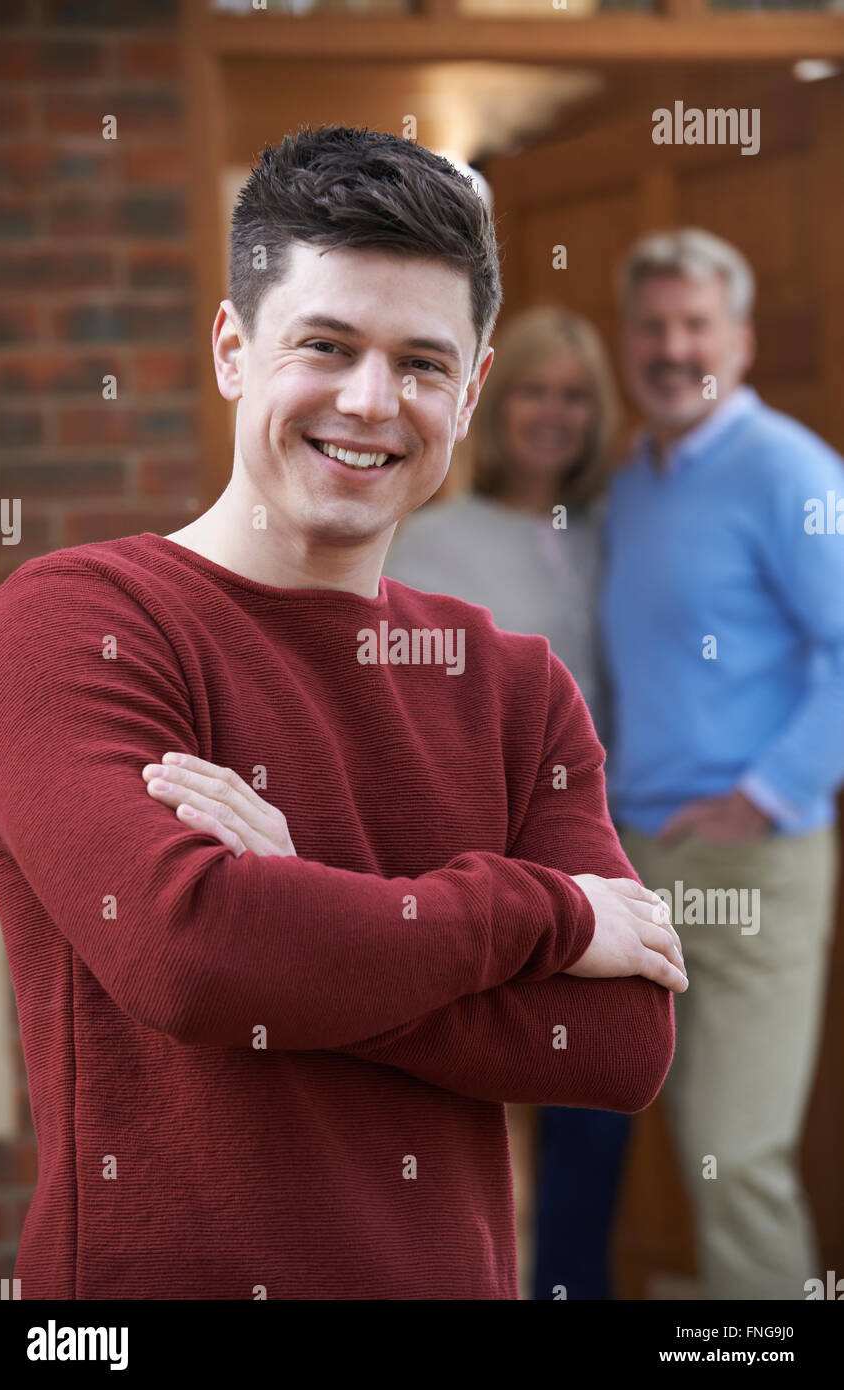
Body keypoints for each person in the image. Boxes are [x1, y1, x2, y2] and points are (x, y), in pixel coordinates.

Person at [0, 126, 685, 1301]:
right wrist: (552, 914)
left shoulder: (517, 687)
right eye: (326, 344)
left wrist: (303, 909)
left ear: (472, 390)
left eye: (421, 361)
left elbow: (620, 1046)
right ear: (232, 349)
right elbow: (194, 959)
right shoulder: (77, 624)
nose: (371, 401)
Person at [601, 226, 844, 1300]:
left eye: (695, 323)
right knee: (658, 1131)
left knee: (738, 1154)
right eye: (652, 325)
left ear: (739, 341)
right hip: (639, 856)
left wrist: (766, 792)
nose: (671, 345)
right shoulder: (636, 481)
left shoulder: (789, 468)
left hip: (752, 861)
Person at [385, 304, 632, 1300]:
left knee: (593, 1105)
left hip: (603, 848)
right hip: (475, 855)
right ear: (495, 403)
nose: (553, 414)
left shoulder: (612, 534)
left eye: (575, 396)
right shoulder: (426, 539)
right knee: (449, 1104)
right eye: (533, 390)